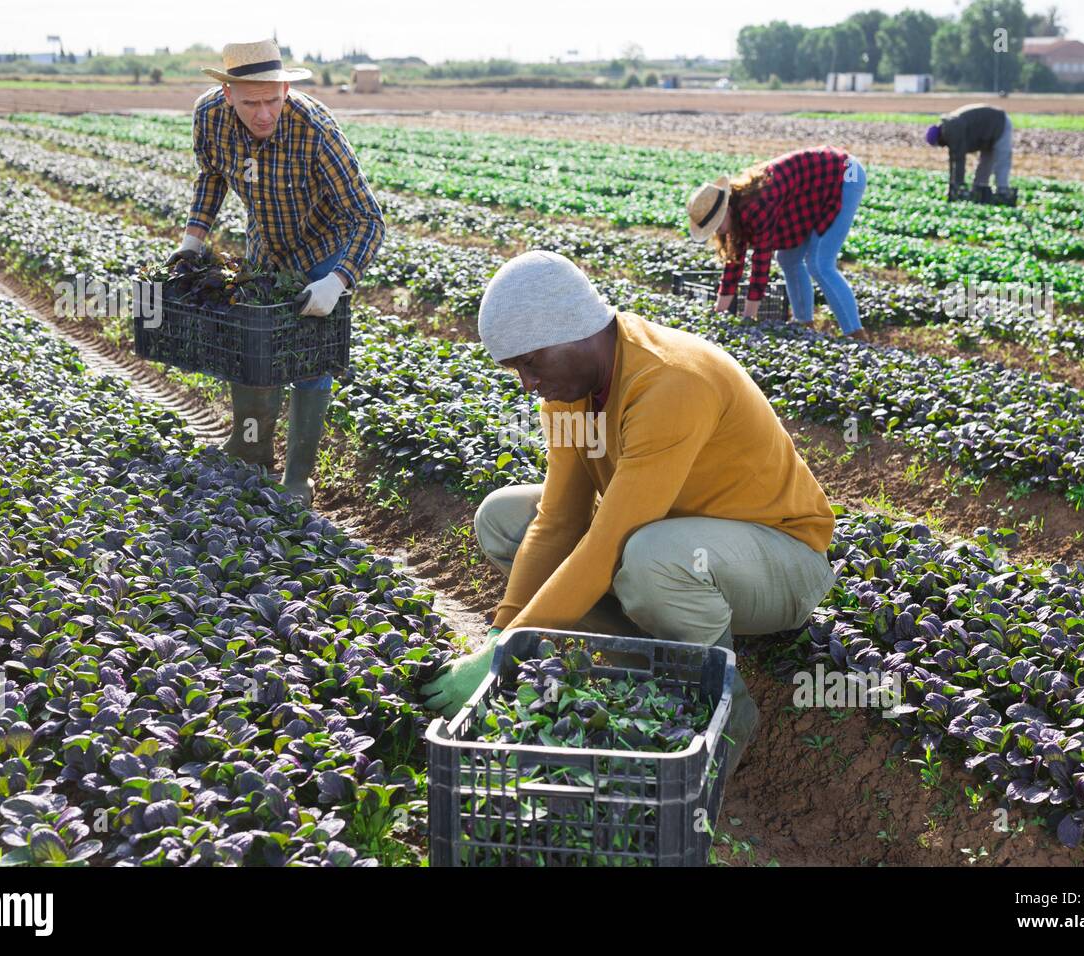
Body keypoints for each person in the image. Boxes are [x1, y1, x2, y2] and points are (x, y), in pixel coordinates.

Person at [421, 251, 838, 778]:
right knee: (504, 518)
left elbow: (608, 542)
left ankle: (722, 699)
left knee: (648, 557)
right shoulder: (571, 393)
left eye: (530, 362)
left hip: (780, 559)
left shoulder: (669, 382)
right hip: (681, 550)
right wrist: (500, 636)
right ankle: (649, 654)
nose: (526, 383)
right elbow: (560, 520)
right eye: (515, 369)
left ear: (572, 332)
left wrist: (509, 650)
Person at [169, 39, 385, 506]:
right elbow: (211, 174)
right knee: (253, 346)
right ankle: (252, 448)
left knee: (310, 356)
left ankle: (297, 477)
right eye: (251, 103)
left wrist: (337, 281)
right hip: (266, 244)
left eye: (273, 99)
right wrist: (193, 239)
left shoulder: (315, 129)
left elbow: (368, 219)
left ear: (286, 88)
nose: (264, 113)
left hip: (324, 246)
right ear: (228, 96)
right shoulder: (209, 117)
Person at [686, 147, 869, 343]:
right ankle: (804, 325)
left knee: (820, 264)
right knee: (788, 259)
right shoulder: (736, 214)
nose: (718, 231)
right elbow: (734, 263)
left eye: (718, 223)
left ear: (727, 209)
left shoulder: (755, 205)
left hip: (844, 174)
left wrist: (749, 319)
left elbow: (761, 263)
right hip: (815, 189)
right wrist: (719, 312)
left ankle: (856, 336)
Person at [925, 103, 1015, 204]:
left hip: (1000, 123)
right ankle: (979, 190)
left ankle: (1002, 192)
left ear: (939, 138)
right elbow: (953, 160)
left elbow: (959, 160)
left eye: (939, 144)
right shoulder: (949, 128)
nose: (942, 146)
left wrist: (958, 186)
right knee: (985, 164)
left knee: (1002, 161)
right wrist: (953, 184)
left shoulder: (953, 129)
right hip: (985, 133)